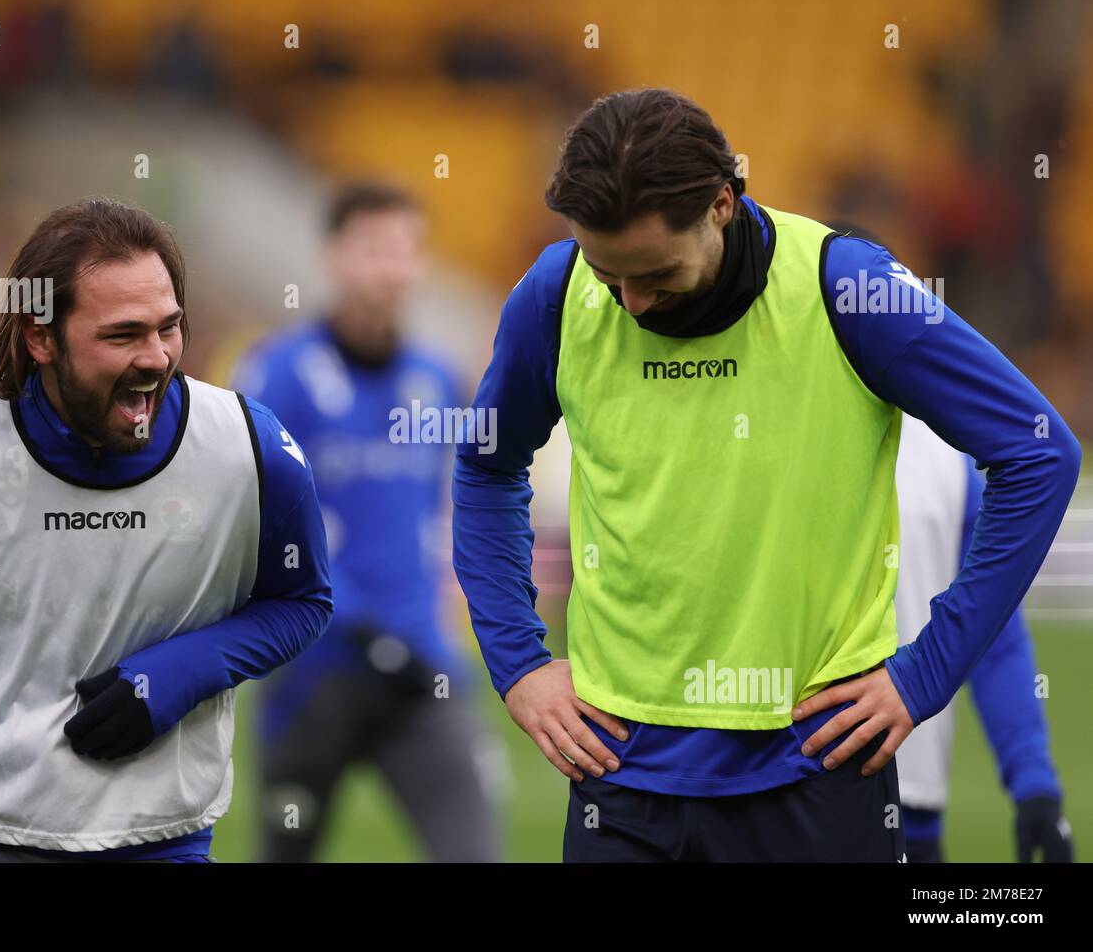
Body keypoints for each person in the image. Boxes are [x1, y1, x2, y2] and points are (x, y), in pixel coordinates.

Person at [452, 88, 1081, 862]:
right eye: (610, 277)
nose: (633, 304)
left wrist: (924, 675)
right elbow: (486, 468)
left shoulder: (844, 287)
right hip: (619, 776)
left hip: (817, 774)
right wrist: (518, 664)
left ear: (721, 205)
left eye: (656, 274)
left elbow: (1038, 453)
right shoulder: (555, 293)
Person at [0, 197, 332, 862]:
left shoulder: (249, 448)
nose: (156, 357)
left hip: (167, 842)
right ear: (40, 338)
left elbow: (302, 600)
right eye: (123, 336)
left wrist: (177, 674)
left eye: (169, 328)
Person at [234, 182, 500, 862]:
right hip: (314, 675)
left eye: (407, 250)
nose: (392, 268)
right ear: (333, 257)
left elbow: (442, 508)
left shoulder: (436, 377)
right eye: (374, 249)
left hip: (422, 670)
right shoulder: (277, 375)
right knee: (285, 851)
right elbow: (260, 524)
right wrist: (355, 622)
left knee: (474, 852)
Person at [894, 413, 1073, 863]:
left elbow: (993, 635)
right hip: (789, 791)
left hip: (914, 810)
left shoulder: (947, 455)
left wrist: (1033, 782)